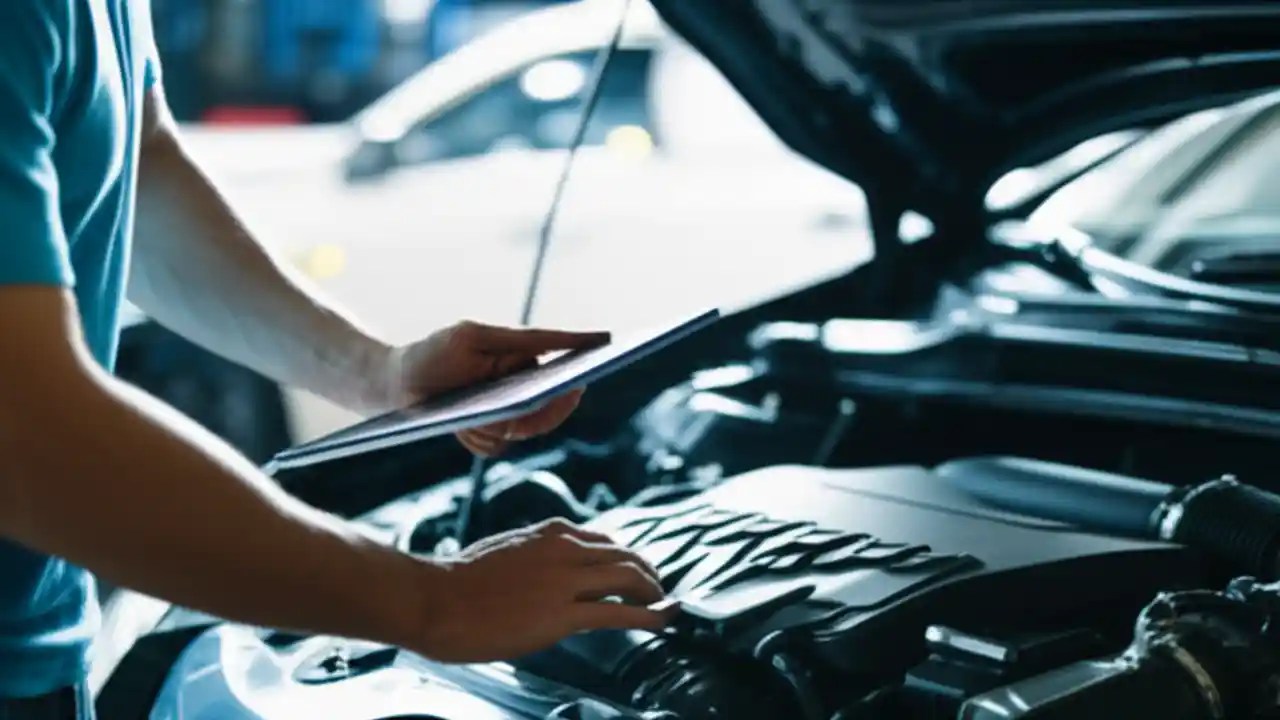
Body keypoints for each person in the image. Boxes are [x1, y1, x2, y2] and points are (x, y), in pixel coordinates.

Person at [0, 2, 673, 717]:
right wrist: (438, 603)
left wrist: (376, 371)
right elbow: (24, 433)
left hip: (42, 643)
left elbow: (136, 164)